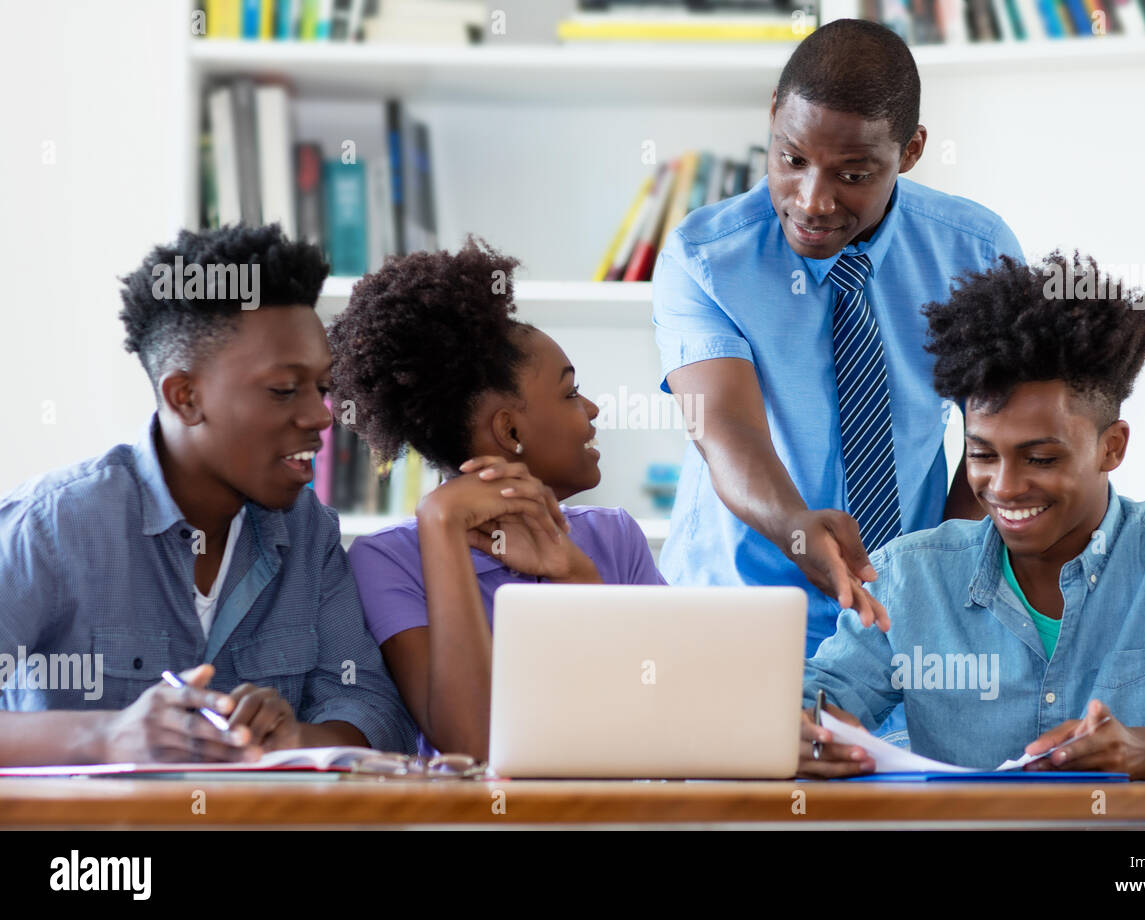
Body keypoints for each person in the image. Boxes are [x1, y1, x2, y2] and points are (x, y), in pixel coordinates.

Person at [799, 251, 1145, 781]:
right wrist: (808, 733)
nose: (1006, 487)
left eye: (1041, 458)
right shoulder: (908, 576)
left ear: (1112, 447)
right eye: (983, 455)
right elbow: (810, 703)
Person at [653, 19, 1023, 659]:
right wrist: (798, 530)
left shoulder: (977, 253)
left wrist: (938, 572)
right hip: (733, 612)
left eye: (853, 174)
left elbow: (1000, 439)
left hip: (903, 616)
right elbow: (727, 431)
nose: (813, 200)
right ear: (773, 115)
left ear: (909, 153)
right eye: (791, 159)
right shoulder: (705, 259)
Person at [0, 224, 417, 766]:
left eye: (323, 388)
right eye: (285, 389)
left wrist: (295, 739)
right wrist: (107, 736)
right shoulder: (51, 527)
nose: (320, 416)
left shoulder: (308, 533)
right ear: (186, 397)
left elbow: (375, 712)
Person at [331, 239, 665, 763]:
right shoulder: (389, 561)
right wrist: (441, 525)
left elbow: (667, 704)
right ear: (510, 430)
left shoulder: (614, 537)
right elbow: (472, 744)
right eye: (571, 392)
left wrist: (576, 577)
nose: (593, 409)